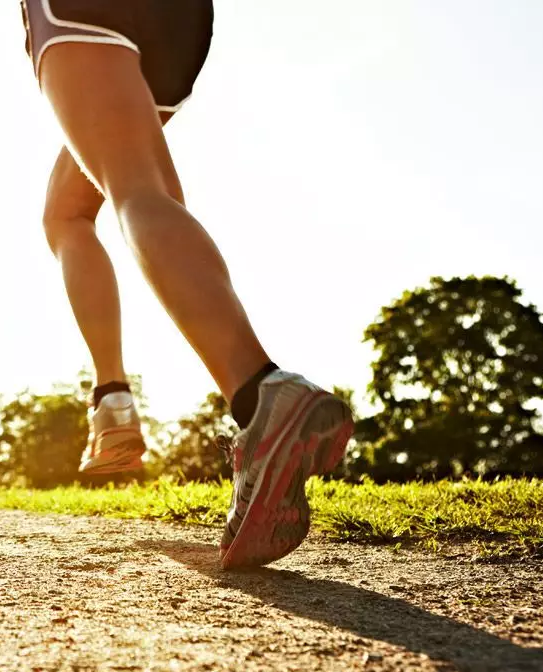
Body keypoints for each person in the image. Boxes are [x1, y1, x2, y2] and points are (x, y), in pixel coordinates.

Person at [19, 0, 353, 568]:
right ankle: (112, 400)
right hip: (180, 23)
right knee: (74, 209)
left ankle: (260, 392)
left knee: (133, 190)